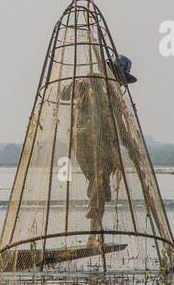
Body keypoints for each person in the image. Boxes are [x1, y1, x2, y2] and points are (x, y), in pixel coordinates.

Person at [59, 54, 137, 248]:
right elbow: (64, 94)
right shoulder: (91, 81)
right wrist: (83, 85)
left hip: (95, 141)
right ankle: (93, 230)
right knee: (99, 180)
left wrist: (132, 148)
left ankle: (93, 235)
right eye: (117, 76)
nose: (118, 81)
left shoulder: (113, 94)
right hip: (87, 140)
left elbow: (119, 127)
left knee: (100, 184)